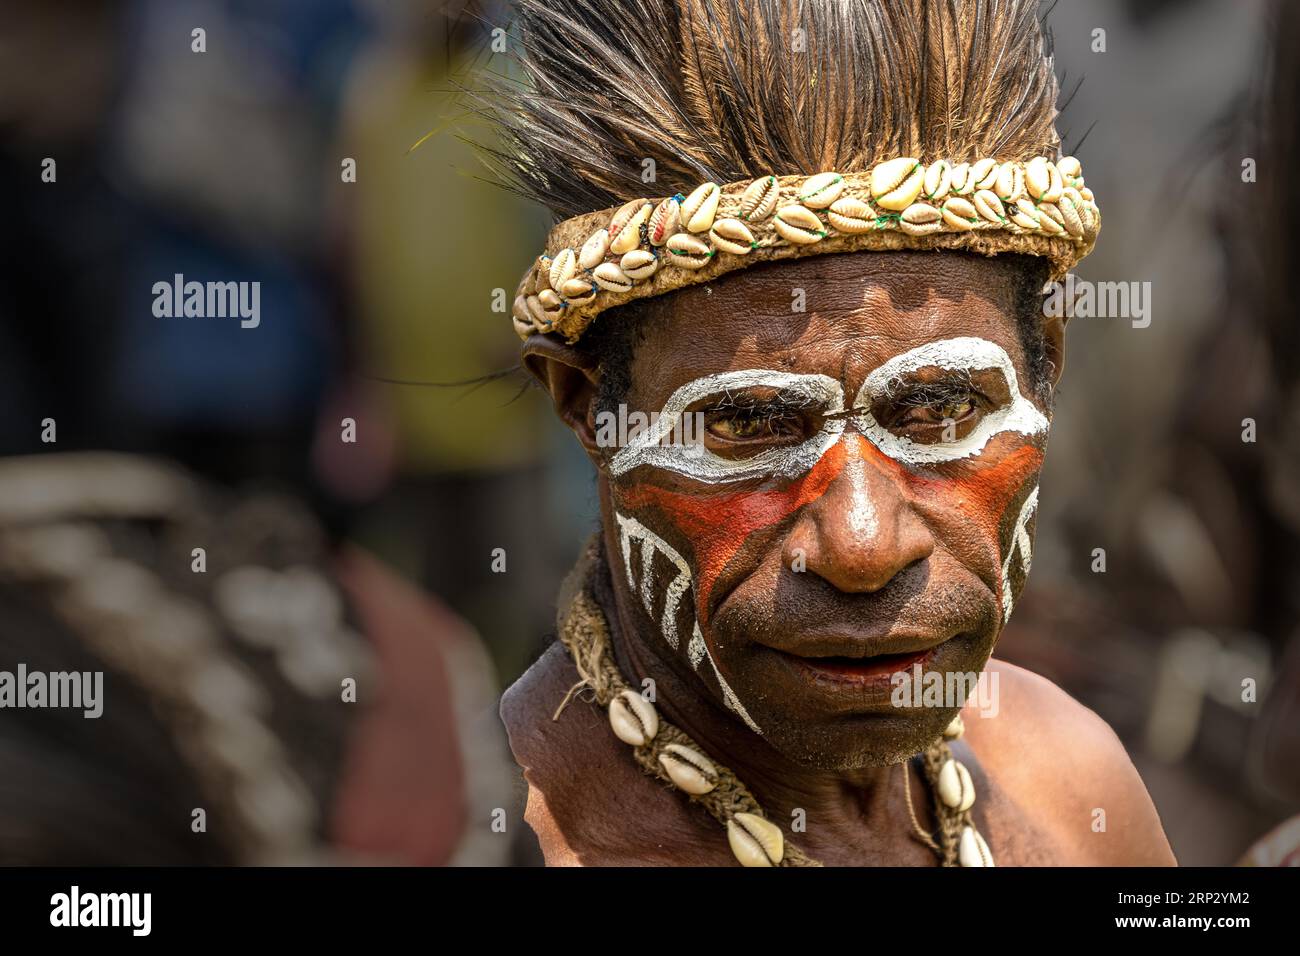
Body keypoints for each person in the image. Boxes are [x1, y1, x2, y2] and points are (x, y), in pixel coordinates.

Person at [483, 0, 1176, 866]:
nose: (861, 545)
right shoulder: (509, 838)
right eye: (750, 424)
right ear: (588, 406)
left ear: (1047, 365)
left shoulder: (1070, 784)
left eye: (940, 411)